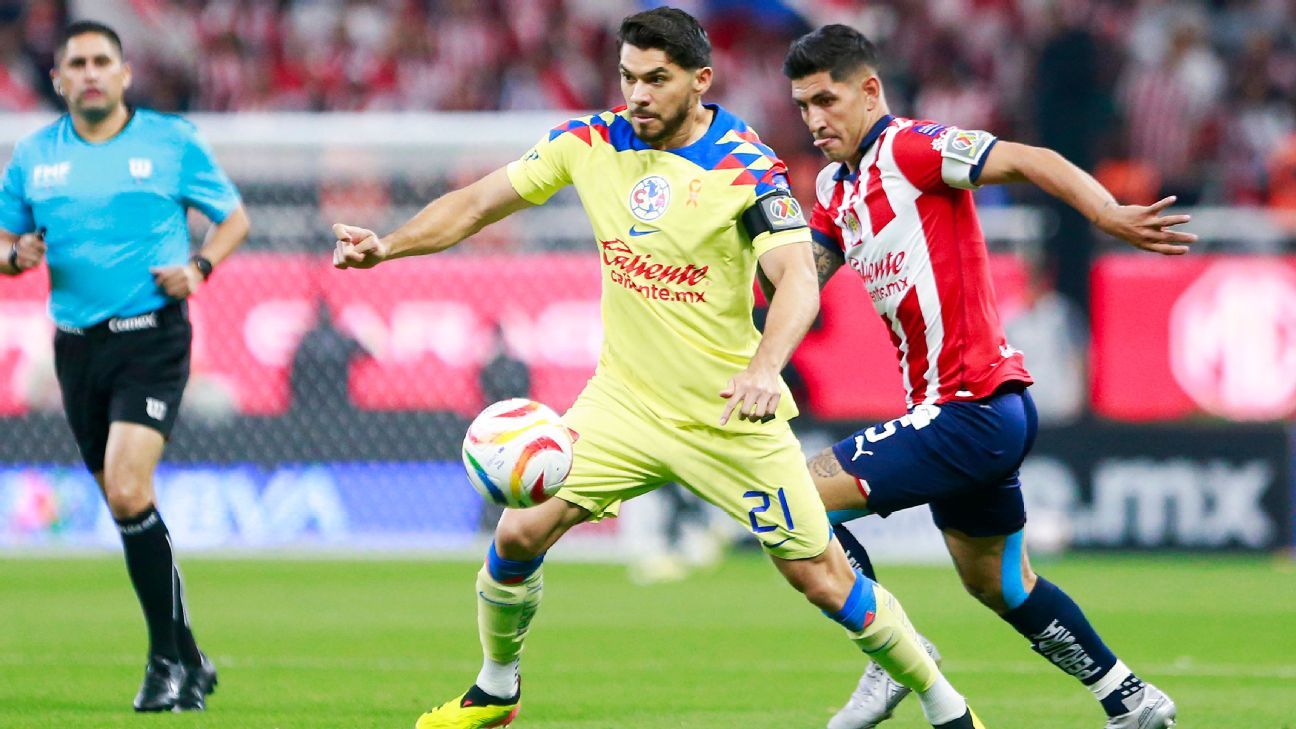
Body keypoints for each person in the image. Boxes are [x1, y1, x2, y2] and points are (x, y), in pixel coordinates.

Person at [332, 8, 985, 729]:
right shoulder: (589, 141)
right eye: (628, 77)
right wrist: (387, 246)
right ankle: (495, 690)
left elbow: (797, 274)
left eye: (656, 80)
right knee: (518, 535)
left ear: (699, 81)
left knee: (823, 577)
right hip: (624, 404)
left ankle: (947, 706)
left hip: (729, 413)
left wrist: (768, 367)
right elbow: (481, 202)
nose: (637, 94)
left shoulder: (744, 162)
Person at [771, 25, 1191, 729]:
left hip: (968, 405)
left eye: (826, 99)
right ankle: (1130, 696)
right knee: (1000, 583)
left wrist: (1104, 210)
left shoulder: (911, 149)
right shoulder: (836, 192)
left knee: (790, 499)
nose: (814, 120)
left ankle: (889, 654)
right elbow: (799, 288)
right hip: (978, 415)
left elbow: (1030, 158)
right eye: (802, 105)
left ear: (869, 90)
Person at [0, 20, 249, 712]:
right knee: (121, 498)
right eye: (75, 62)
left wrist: (199, 266)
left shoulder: (170, 141)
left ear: (124, 73)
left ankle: (165, 661)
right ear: (57, 79)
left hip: (152, 338)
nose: (88, 72)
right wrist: (11, 255)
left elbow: (232, 219)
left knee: (130, 487)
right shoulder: (33, 156)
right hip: (76, 345)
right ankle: (192, 656)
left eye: (101, 60)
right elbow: (5, 234)